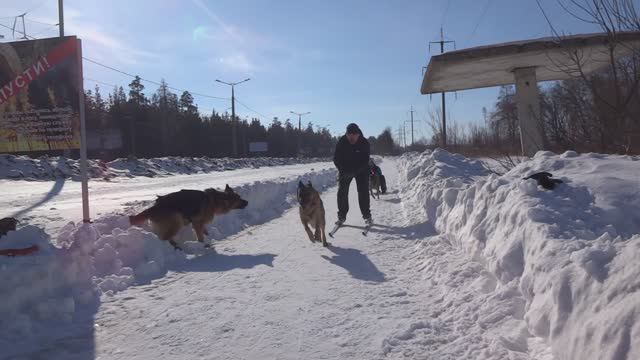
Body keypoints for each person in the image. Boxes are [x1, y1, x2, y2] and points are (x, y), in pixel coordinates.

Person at [333, 123, 372, 225]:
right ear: (346, 135)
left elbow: (365, 161)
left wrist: (354, 171)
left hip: (361, 170)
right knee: (342, 191)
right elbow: (336, 159)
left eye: (353, 137)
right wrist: (342, 170)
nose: (351, 139)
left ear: (358, 135)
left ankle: (367, 216)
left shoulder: (364, 143)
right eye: (349, 136)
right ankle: (341, 216)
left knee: (363, 191)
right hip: (345, 170)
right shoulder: (341, 142)